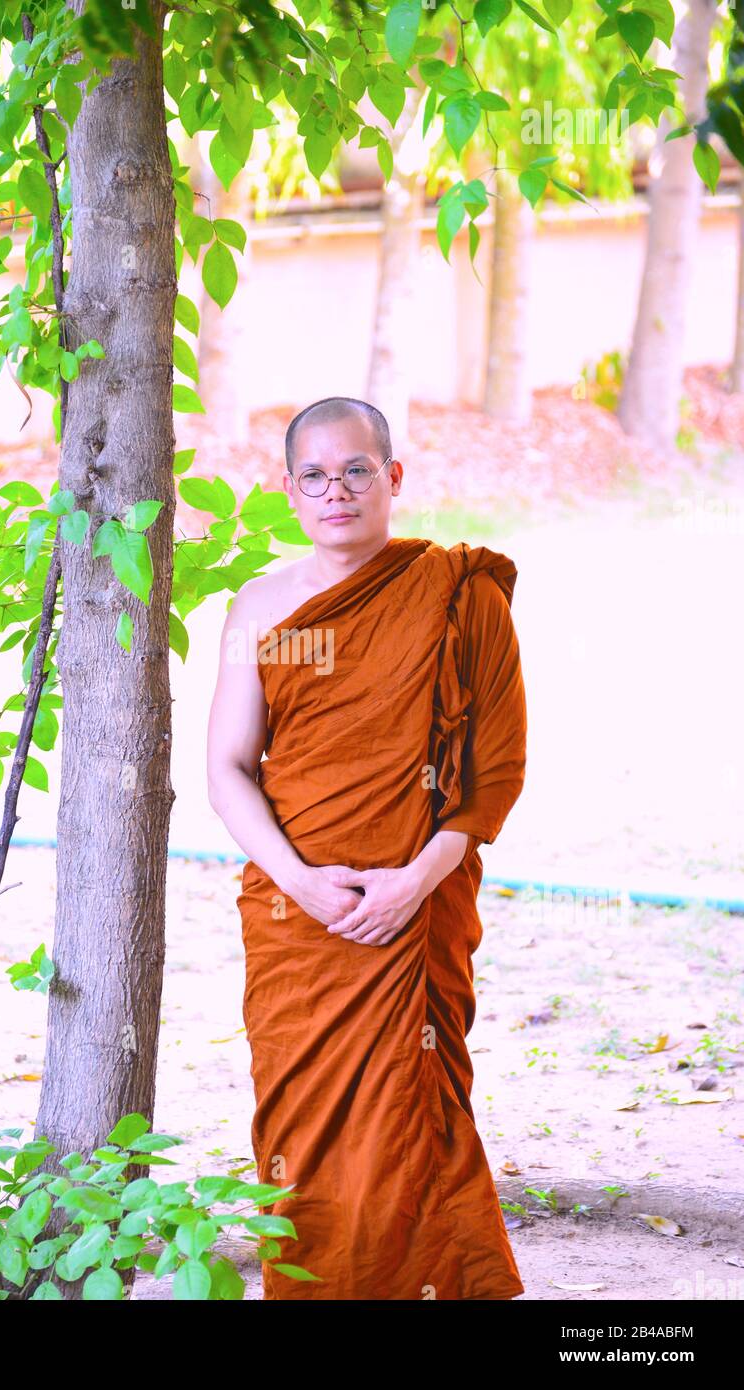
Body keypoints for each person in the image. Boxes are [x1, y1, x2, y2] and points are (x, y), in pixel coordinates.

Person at [206, 395, 528, 1300]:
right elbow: (228, 767)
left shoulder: (458, 594)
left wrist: (413, 885)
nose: (335, 490)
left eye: (355, 470)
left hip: (415, 908)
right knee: (301, 1122)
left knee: (414, 1106)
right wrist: (299, 882)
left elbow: (494, 769)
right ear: (288, 491)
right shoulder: (260, 605)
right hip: (294, 914)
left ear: (392, 478)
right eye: (314, 475)